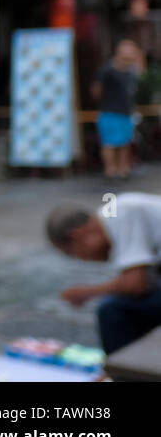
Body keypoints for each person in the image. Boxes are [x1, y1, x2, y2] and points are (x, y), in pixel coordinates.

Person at [47, 194, 161, 354]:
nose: (81, 258)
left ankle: (124, 371)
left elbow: (136, 284)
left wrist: (86, 293)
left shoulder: (124, 213)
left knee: (112, 309)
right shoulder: (117, 214)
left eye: (72, 253)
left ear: (77, 236)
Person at [93, 40, 143, 180]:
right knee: (109, 143)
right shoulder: (107, 69)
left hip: (126, 112)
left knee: (124, 142)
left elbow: (140, 71)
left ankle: (122, 168)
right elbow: (97, 90)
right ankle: (110, 169)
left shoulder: (131, 71)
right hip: (109, 111)